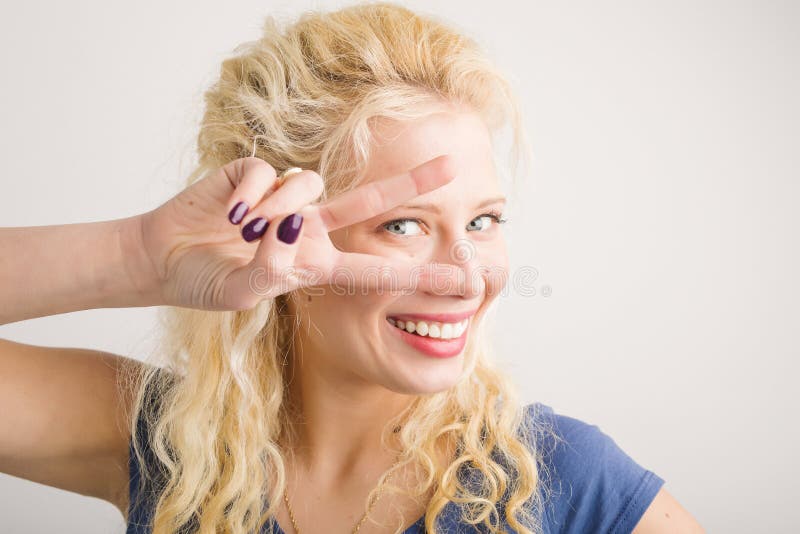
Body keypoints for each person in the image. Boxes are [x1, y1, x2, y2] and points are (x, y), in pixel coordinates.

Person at [0, 2, 704, 533]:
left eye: (483, 221)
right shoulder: (163, 443)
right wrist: (143, 256)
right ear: (275, 235)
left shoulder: (562, 482)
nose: (465, 275)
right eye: (403, 225)